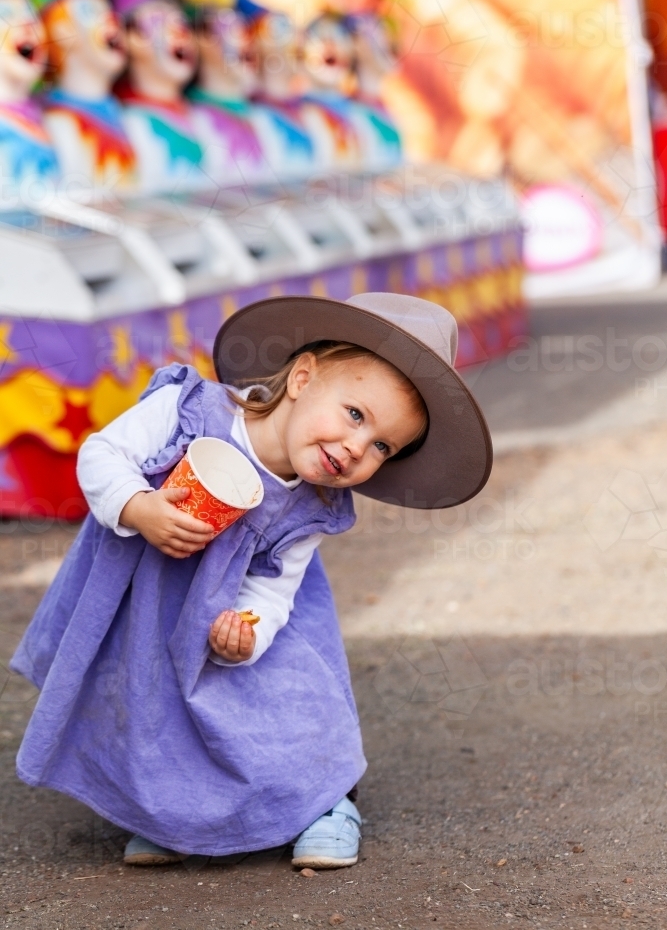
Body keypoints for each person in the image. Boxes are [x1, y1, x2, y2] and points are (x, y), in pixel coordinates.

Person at [10, 292, 492, 868]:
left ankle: (328, 803)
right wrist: (139, 507)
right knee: (147, 709)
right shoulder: (189, 410)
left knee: (294, 705)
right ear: (303, 378)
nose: (356, 448)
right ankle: (172, 817)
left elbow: (273, 590)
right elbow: (101, 454)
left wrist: (249, 632)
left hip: (222, 616)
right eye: (356, 415)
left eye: (382, 446)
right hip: (142, 608)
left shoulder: (311, 505)